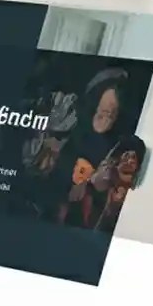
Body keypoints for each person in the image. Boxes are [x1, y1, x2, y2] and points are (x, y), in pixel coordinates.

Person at [56, 81, 124, 227]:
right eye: (103, 109)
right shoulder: (78, 136)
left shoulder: (115, 145)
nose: (107, 114)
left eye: (112, 112)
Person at [92, 135, 147, 233]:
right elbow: (97, 181)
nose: (130, 161)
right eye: (127, 156)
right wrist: (115, 173)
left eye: (134, 158)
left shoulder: (134, 186)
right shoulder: (108, 170)